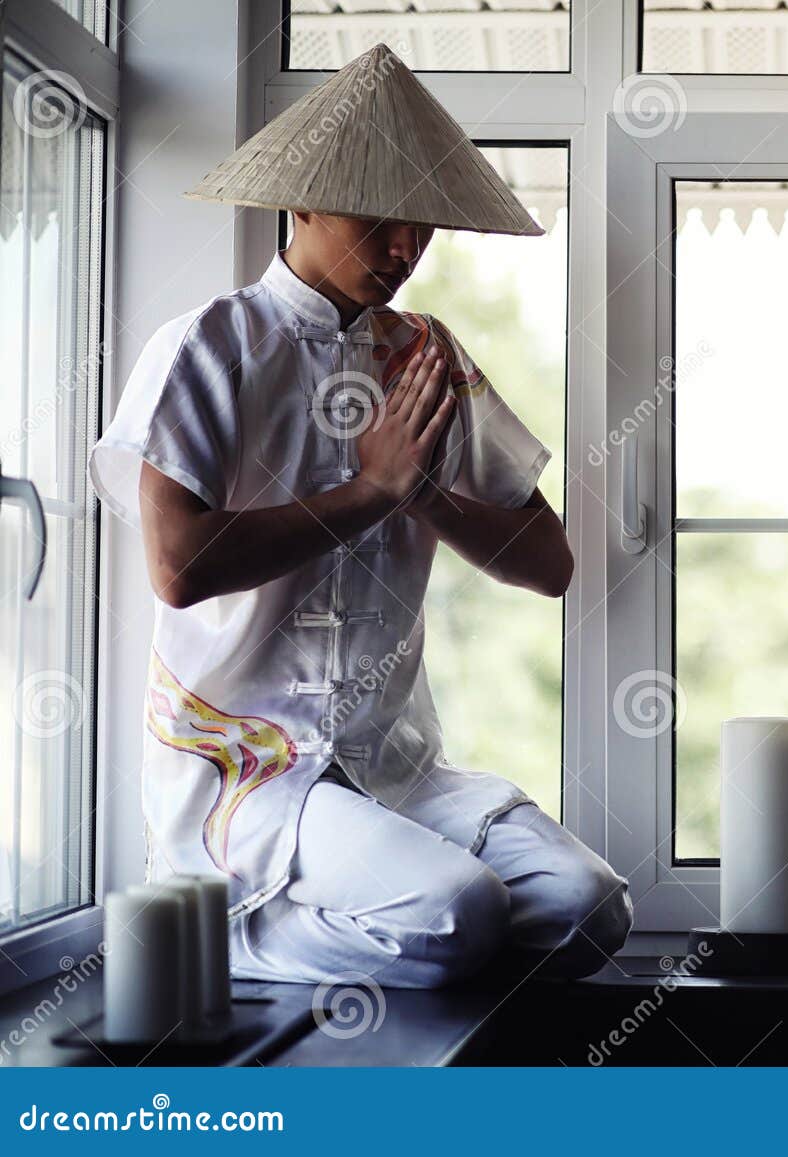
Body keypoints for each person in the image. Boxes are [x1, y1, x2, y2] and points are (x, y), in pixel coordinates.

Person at [89, 44, 631, 987]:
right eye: (380, 219)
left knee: (589, 907)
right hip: (254, 768)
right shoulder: (208, 347)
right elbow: (178, 565)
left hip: (395, 763)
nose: (404, 248)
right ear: (299, 201)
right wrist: (368, 494)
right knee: (458, 910)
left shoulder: (430, 356)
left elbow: (549, 563)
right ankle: (222, 934)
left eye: (421, 224)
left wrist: (424, 493)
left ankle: (390, 942)